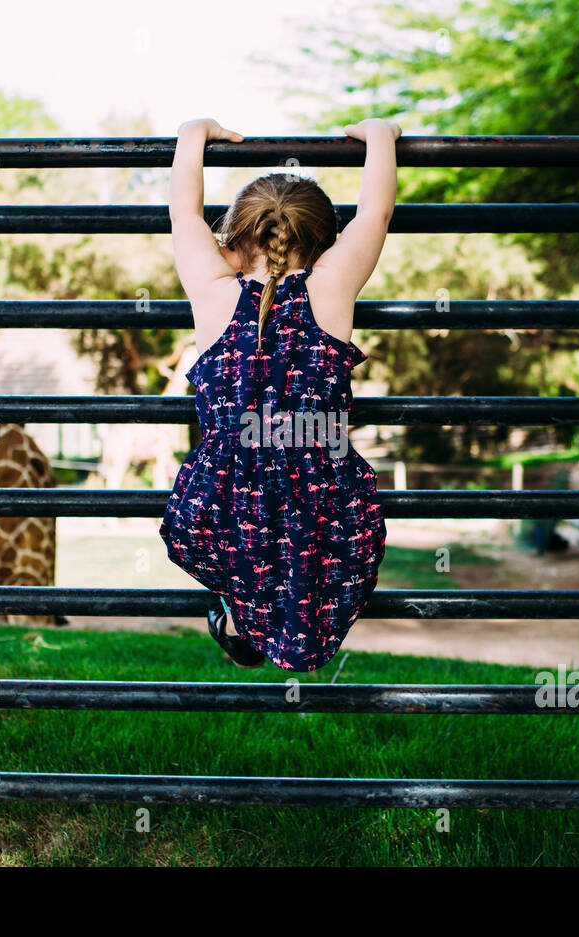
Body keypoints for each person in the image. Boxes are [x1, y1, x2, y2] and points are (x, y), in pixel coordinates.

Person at [158, 116, 397, 671]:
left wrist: (193, 136)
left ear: (235, 242)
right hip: (319, 491)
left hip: (225, 493)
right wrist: (381, 137)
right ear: (320, 245)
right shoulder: (331, 286)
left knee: (236, 546)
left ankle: (239, 612)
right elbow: (376, 214)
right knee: (314, 557)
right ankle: (278, 629)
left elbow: (182, 213)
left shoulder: (212, 290)